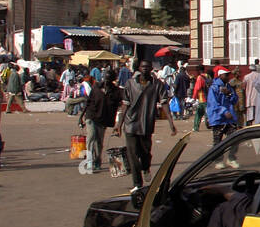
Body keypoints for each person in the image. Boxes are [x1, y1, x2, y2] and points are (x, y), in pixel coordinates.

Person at [113, 60, 177, 193]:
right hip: (131, 123)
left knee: (145, 152)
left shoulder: (157, 84)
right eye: (143, 67)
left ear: (151, 69)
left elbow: (164, 103)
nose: (145, 69)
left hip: (146, 123)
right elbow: (125, 104)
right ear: (139, 68)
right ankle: (137, 183)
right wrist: (119, 124)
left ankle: (146, 167)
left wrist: (171, 122)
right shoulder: (130, 83)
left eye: (148, 67)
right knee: (132, 154)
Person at [80, 69, 122, 173]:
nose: (106, 81)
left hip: (104, 119)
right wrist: (81, 117)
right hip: (91, 115)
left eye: (109, 79)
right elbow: (88, 102)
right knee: (91, 137)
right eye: (105, 78)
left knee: (99, 141)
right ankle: (89, 161)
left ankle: (97, 161)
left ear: (113, 80)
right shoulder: (96, 87)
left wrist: (119, 123)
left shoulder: (116, 92)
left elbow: (122, 105)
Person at [206, 66, 240, 153]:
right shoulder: (214, 88)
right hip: (218, 119)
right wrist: (224, 111)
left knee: (234, 140)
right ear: (220, 75)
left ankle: (232, 158)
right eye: (226, 75)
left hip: (229, 119)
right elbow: (213, 103)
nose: (228, 77)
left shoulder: (228, 87)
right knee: (218, 143)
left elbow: (235, 100)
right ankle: (218, 160)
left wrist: (229, 94)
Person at [191, 65, 209, 132]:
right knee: (207, 113)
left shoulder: (199, 77)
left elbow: (197, 88)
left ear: (198, 71)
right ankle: (210, 125)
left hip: (202, 98)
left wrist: (194, 98)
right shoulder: (208, 76)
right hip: (208, 98)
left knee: (198, 114)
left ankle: (196, 128)